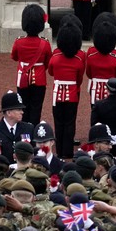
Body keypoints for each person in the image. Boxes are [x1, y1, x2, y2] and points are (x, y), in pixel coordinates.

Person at [47, 16, 85, 159]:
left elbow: (50, 72)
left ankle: (59, 151)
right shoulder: (78, 61)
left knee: (58, 122)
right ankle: (68, 151)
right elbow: (79, 79)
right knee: (70, 122)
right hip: (72, 94)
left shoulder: (55, 58)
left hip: (57, 95)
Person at [10, 4, 51, 127]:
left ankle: (23, 136)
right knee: (36, 110)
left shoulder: (19, 41)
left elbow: (14, 57)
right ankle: (34, 135)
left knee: (22, 110)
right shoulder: (45, 43)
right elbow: (48, 62)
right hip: (39, 79)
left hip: (22, 79)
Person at [0, 92, 35, 164]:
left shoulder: (29, 128)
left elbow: (34, 153)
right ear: (9, 113)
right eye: (18, 109)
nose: (22, 112)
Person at [85, 13, 116, 104]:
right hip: (111, 89)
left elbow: (89, 74)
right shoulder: (115, 55)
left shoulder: (91, 53)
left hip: (94, 89)